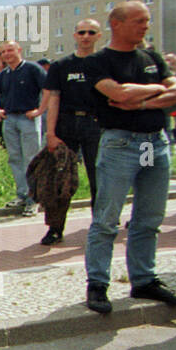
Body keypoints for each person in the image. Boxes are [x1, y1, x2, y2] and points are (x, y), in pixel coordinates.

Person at [82, 2, 176, 314]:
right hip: (120, 145)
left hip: (153, 145)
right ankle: (98, 284)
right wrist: (157, 90)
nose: (146, 26)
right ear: (116, 24)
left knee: (149, 217)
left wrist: (142, 101)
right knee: (106, 219)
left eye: (148, 21)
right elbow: (119, 95)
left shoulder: (153, 56)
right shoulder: (99, 62)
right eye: (139, 21)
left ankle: (144, 280)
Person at [39, 19, 103, 244]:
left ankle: (101, 227)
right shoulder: (61, 65)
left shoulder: (104, 64)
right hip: (66, 125)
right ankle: (55, 228)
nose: (86, 36)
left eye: (91, 32)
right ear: (75, 35)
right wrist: (50, 133)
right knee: (59, 180)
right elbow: (53, 99)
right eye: (82, 32)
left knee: (99, 179)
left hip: (95, 126)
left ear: (98, 36)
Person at [0, 41, 46, 215]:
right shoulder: (4, 73)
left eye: (10, 50)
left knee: (31, 159)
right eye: (3, 52)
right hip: (9, 120)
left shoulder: (32, 69)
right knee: (15, 158)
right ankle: (22, 195)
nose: (7, 54)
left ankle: (34, 199)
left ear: (19, 50)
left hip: (28, 119)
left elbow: (48, 90)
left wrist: (40, 110)